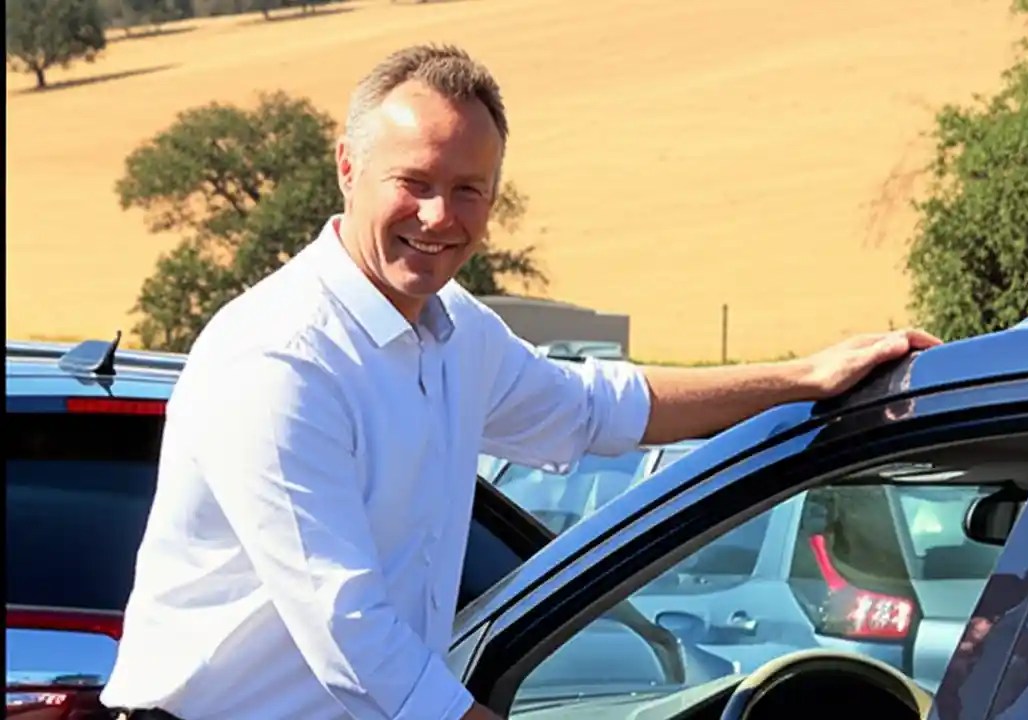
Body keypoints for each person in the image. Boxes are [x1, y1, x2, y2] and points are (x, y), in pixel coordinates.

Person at [99, 44, 942, 720]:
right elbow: (347, 627)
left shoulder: (454, 329)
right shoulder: (282, 359)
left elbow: (596, 410)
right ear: (348, 167)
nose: (440, 218)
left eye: (469, 190)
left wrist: (805, 377)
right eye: (415, 184)